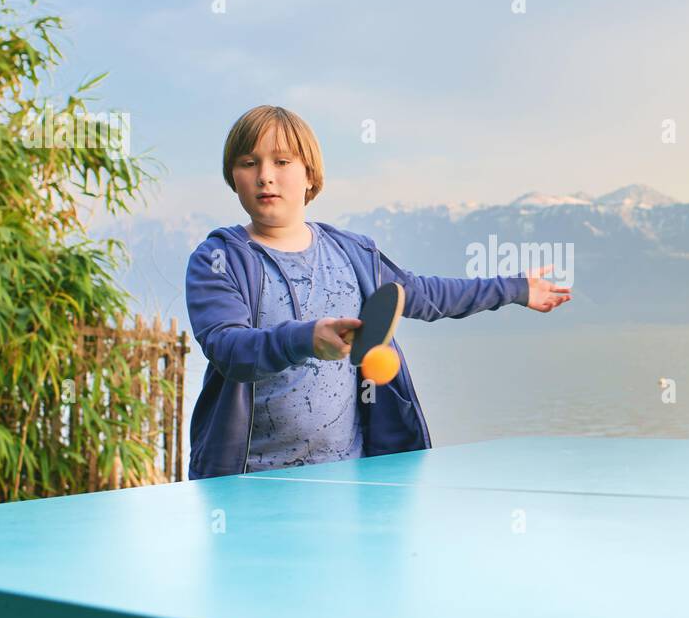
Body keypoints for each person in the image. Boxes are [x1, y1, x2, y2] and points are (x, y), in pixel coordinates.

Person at [184, 105, 571, 479]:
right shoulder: (218, 259)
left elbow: (424, 294)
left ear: (310, 176)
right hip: (247, 484)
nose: (265, 176)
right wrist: (306, 339)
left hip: (349, 477)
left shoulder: (354, 253)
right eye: (248, 163)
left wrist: (514, 288)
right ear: (233, 176)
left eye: (282, 161)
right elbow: (228, 348)